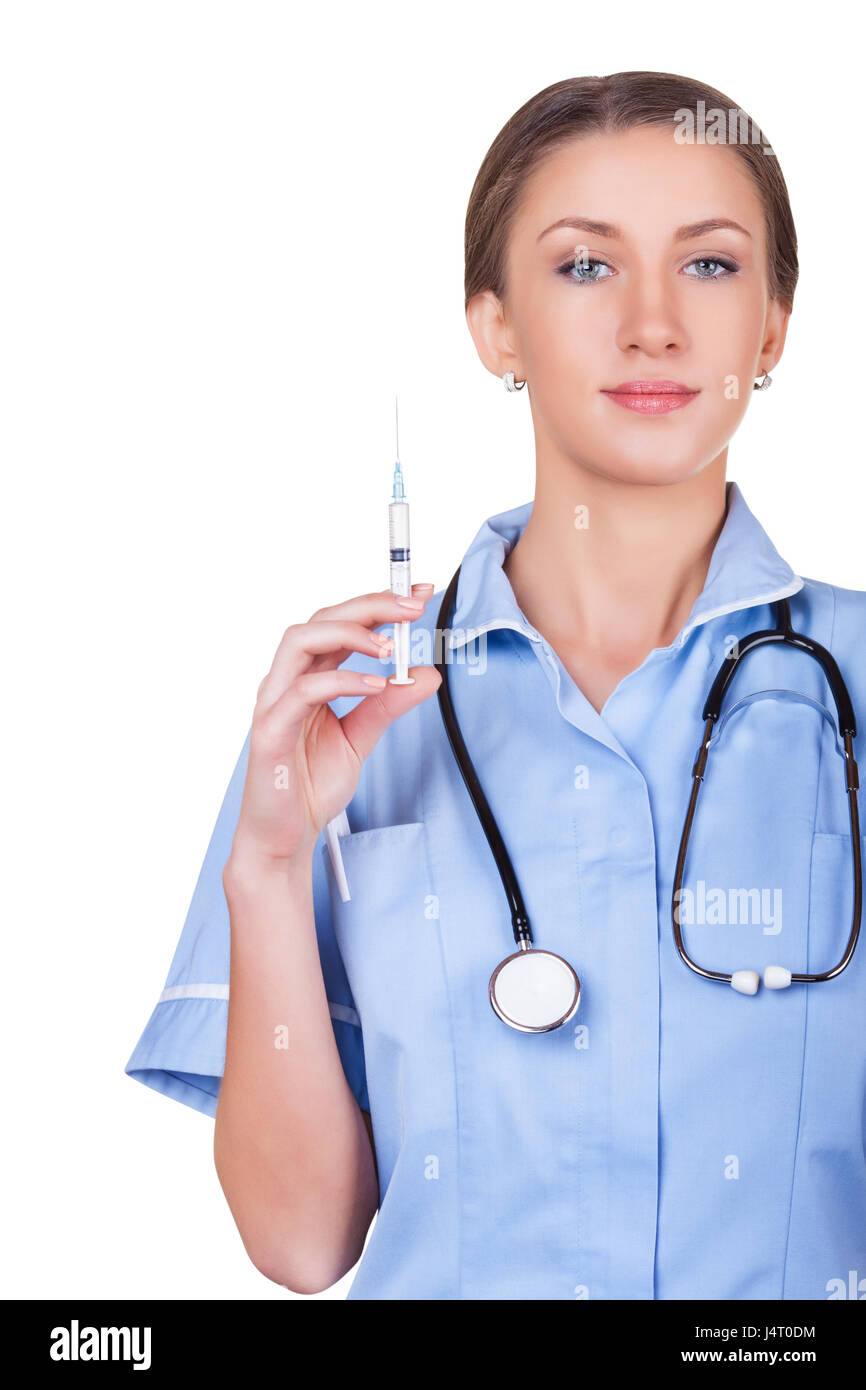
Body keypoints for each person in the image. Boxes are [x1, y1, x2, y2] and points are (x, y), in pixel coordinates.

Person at [125, 71, 866, 1301]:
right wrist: (265, 865)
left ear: (774, 327)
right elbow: (302, 1243)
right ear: (494, 327)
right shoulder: (354, 705)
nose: (650, 326)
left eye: (710, 265)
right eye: (583, 267)